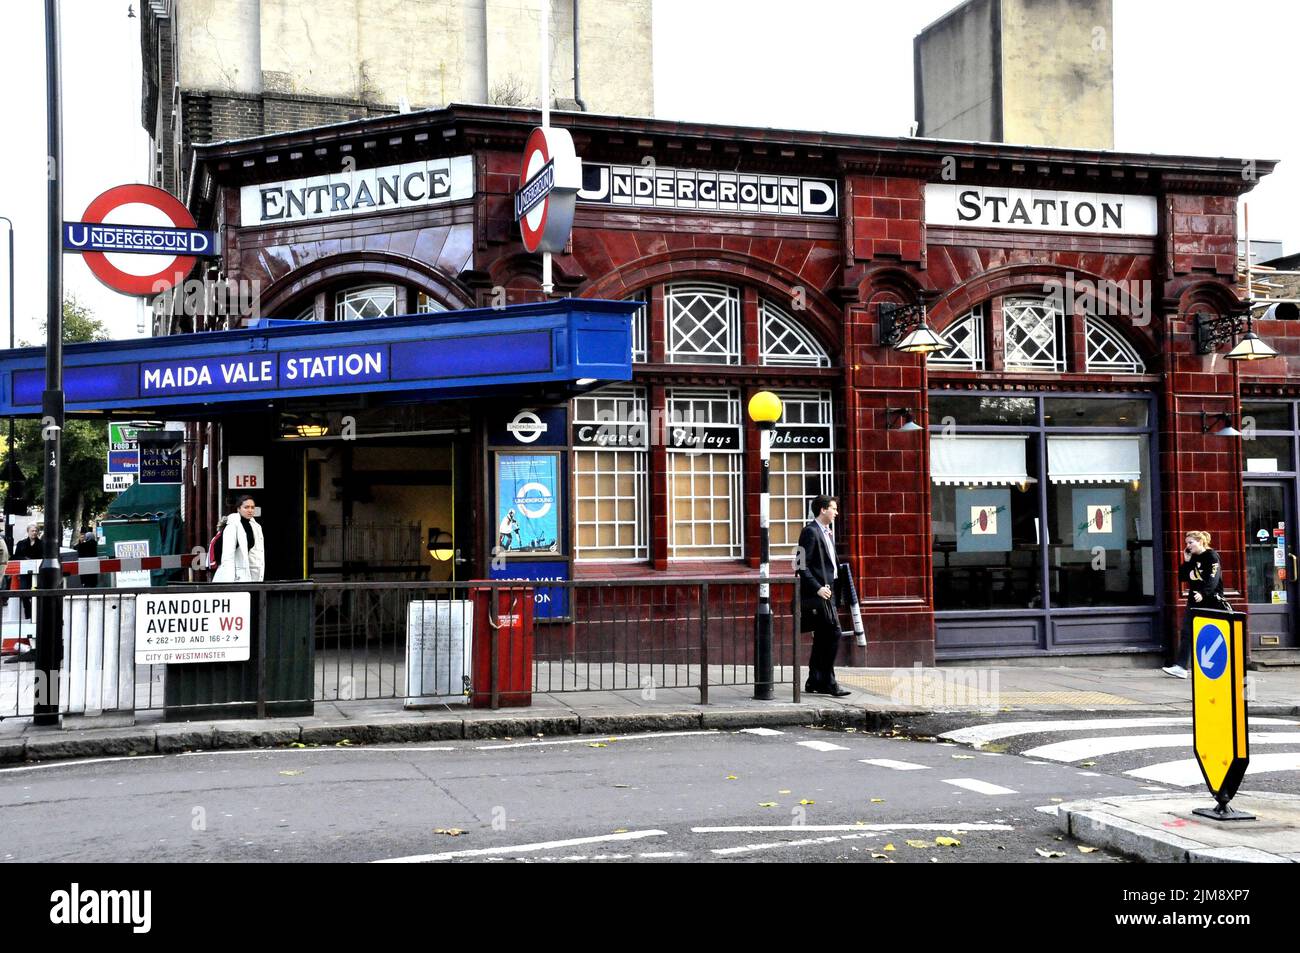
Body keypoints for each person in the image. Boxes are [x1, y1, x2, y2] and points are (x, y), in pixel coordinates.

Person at [795, 495, 851, 697]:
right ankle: (828, 681)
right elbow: (800, 565)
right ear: (822, 510)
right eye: (833, 508)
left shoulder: (827, 532)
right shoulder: (809, 532)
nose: (836, 512)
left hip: (830, 591)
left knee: (822, 637)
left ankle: (814, 680)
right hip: (820, 593)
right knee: (834, 634)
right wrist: (817, 587)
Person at [1164, 530, 1226, 678]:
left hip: (1210, 599)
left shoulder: (1211, 556)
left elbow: (1214, 578)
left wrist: (1204, 593)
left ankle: (1216, 664)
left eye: (1191, 542)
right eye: (1187, 543)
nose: (1188, 546)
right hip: (1194, 599)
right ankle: (1181, 667)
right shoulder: (1193, 557)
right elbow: (1183, 577)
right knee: (1187, 631)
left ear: (1201, 541)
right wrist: (1186, 561)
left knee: (1210, 633)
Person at [212, 496, 265, 582]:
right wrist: (229, 582)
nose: (250, 510)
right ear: (238, 509)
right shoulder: (232, 525)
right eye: (246, 507)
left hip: (249, 576)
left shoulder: (255, 526)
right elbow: (228, 555)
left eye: (252, 507)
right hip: (233, 577)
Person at [12, 524, 41, 620]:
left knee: (38, 594)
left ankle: (37, 615)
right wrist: (24, 558)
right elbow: (15, 557)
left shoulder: (42, 544)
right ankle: (28, 615)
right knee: (24, 592)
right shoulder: (21, 543)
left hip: (38, 574)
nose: (34, 532)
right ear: (28, 532)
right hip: (25, 573)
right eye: (32, 531)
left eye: (36, 531)